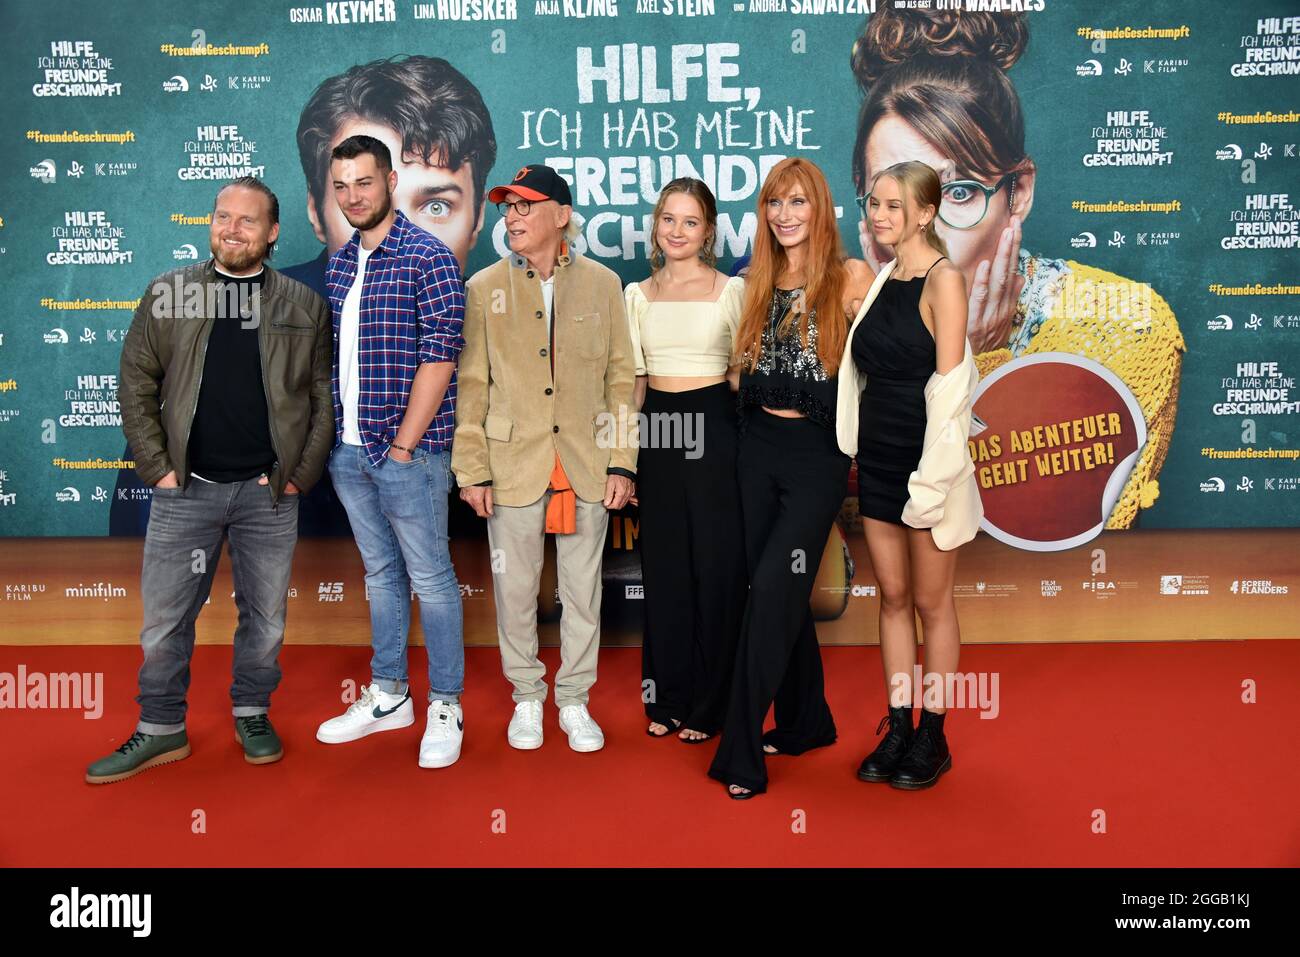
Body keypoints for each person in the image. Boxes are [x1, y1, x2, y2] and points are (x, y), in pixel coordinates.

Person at [849, 8, 1183, 529]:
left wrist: (976, 363)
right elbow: (870, 517)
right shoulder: (834, 322)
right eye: (889, 197)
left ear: (1017, 192)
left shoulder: (1126, 327)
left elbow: (1046, 536)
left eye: (956, 193)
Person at [87, 178, 334, 783]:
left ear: (272, 232)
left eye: (247, 221)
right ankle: (161, 727)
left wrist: (299, 475)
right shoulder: (170, 295)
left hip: (267, 494)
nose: (231, 228)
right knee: (166, 619)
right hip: (185, 490)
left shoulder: (303, 305)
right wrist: (159, 471)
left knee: (266, 617)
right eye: (223, 216)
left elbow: (323, 398)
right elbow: (136, 383)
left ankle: (252, 711)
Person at [452, 163, 637, 753]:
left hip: (586, 461)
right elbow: (472, 386)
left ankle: (575, 700)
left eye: (527, 206)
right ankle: (527, 698)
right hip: (511, 463)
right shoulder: (482, 288)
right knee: (515, 591)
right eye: (508, 207)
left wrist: (622, 460)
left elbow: (619, 379)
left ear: (562, 216)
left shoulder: (605, 284)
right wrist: (472, 468)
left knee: (584, 591)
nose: (513, 217)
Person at [707, 158, 872, 799]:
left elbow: (893, 342)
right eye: (775, 203)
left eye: (798, 202)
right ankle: (807, 721)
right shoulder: (756, 282)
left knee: (773, 593)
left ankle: (741, 749)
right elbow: (735, 374)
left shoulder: (850, 277)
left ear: (821, 208)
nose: (785, 215)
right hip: (757, 453)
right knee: (780, 590)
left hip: (816, 460)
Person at [312, 135, 468, 770]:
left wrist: (403, 445)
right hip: (349, 452)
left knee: (431, 579)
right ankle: (389, 695)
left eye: (364, 183)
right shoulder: (342, 263)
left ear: (390, 180)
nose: (353, 196)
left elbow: (441, 356)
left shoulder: (428, 257)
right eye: (342, 185)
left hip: (409, 453)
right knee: (380, 575)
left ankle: (447, 705)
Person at [837, 160, 981, 790]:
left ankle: (933, 735)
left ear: (926, 212)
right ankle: (898, 725)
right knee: (892, 600)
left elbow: (952, 392)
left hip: (931, 468)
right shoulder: (882, 277)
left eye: (895, 206)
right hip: (880, 458)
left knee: (930, 602)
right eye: (874, 204)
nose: (880, 216)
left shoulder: (943, 280)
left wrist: (932, 482)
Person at [625, 177, 747, 743]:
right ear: (655, 226)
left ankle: (712, 702)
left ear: (709, 231)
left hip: (715, 429)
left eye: (690, 221)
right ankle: (669, 696)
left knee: (716, 568)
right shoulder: (635, 295)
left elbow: (741, 378)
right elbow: (634, 386)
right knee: (667, 567)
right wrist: (624, 459)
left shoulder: (732, 292)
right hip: (659, 431)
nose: (677, 231)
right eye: (668, 219)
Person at [285, 54, 497, 294]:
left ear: (478, 215)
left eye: (437, 207)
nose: (402, 245)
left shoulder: (497, 319)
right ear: (316, 211)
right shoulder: (261, 308)